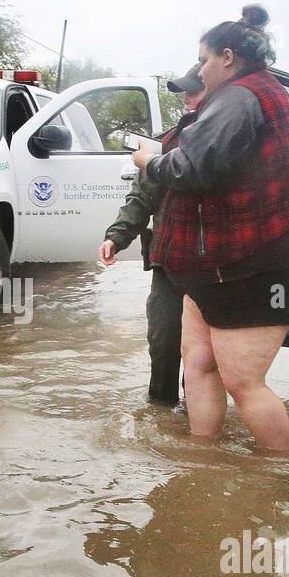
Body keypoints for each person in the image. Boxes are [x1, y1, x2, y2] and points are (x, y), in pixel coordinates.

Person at [138, 5, 289, 452]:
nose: (199, 70)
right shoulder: (249, 94)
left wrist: (149, 161)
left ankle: (278, 475)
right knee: (197, 362)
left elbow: (193, 169)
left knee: (244, 382)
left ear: (228, 57)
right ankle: (203, 461)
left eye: (203, 60)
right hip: (214, 268)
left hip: (253, 266)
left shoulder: (239, 97)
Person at [99, 65, 206, 404]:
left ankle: (198, 421)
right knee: (162, 342)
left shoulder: (227, 147)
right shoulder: (166, 143)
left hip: (212, 269)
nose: (187, 98)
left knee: (202, 355)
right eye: (185, 91)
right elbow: (141, 198)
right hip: (168, 265)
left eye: (196, 91)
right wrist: (116, 236)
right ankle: (160, 422)